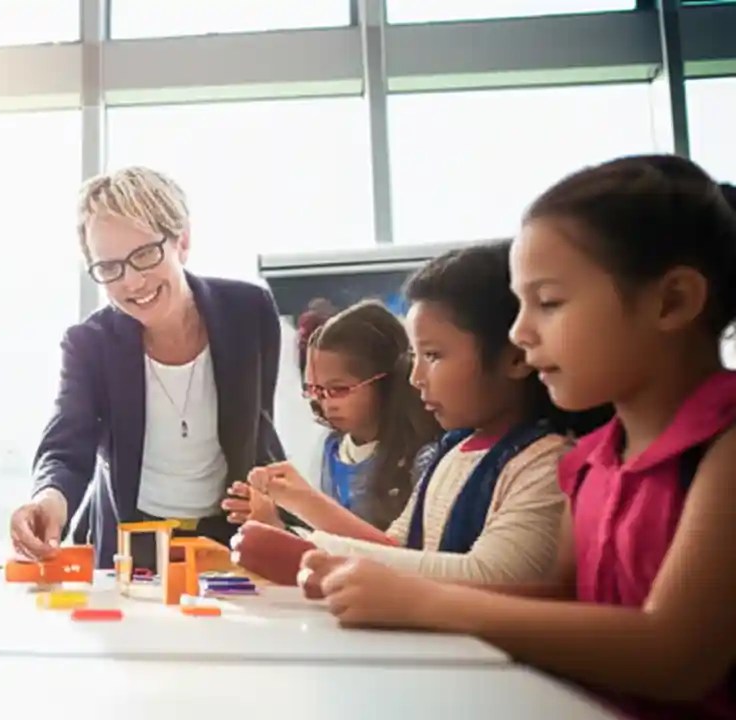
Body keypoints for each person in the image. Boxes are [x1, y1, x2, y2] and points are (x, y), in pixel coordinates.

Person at [303, 155, 736, 719]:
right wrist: (391, 594)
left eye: (549, 302)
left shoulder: (723, 447)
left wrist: (428, 601)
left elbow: (678, 655)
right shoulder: (590, 462)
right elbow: (559, 600)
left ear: (672, 301)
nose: (520, 332)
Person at [241, 242, 604, 587]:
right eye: (415, 358)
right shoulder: (450, 453)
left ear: (515, 356)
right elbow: (397, 550)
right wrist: (298, 514)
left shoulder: (547, 462)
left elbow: (491, 577)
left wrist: (314, 554)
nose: (416, 379)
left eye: (432, 356)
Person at [9, 167, 285, 568]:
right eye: (110, 267)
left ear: (182, 241)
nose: (133, 282)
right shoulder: (89, 343)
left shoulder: (249, 312)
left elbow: (258, 425)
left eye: (144, 256)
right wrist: (48, 497)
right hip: (130, 541)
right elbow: (67, 446)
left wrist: (270, 505)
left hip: (229, 538)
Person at [234, 300, 440, 533]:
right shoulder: (330, 448)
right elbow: (326, 545)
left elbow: (402, 556)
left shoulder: (423, 460)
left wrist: (305, 502)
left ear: (388, 382)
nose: (325, 403)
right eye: (315, 390)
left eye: (338, 390)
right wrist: (273, 523)